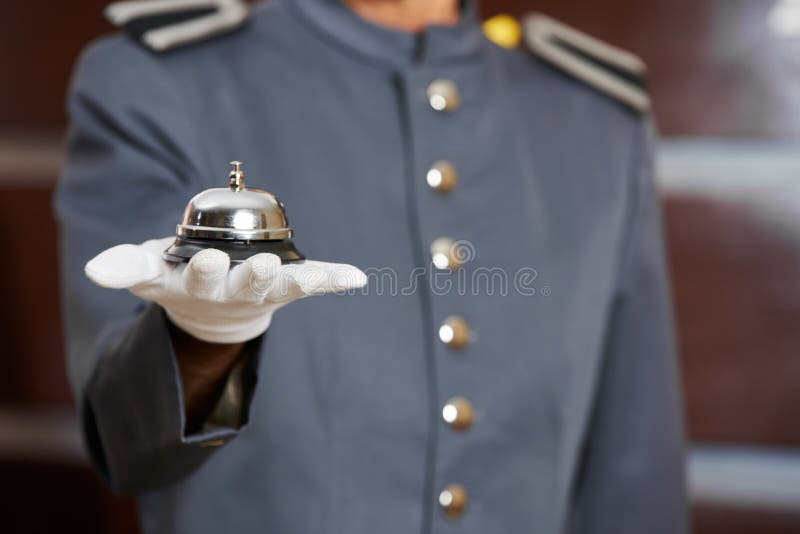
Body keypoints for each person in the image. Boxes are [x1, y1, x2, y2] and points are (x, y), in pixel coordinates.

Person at [55, 0, 688, 532]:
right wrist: (201, 342)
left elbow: (633, 479)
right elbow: (127, 446)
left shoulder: (596, 118)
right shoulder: (161, 83)